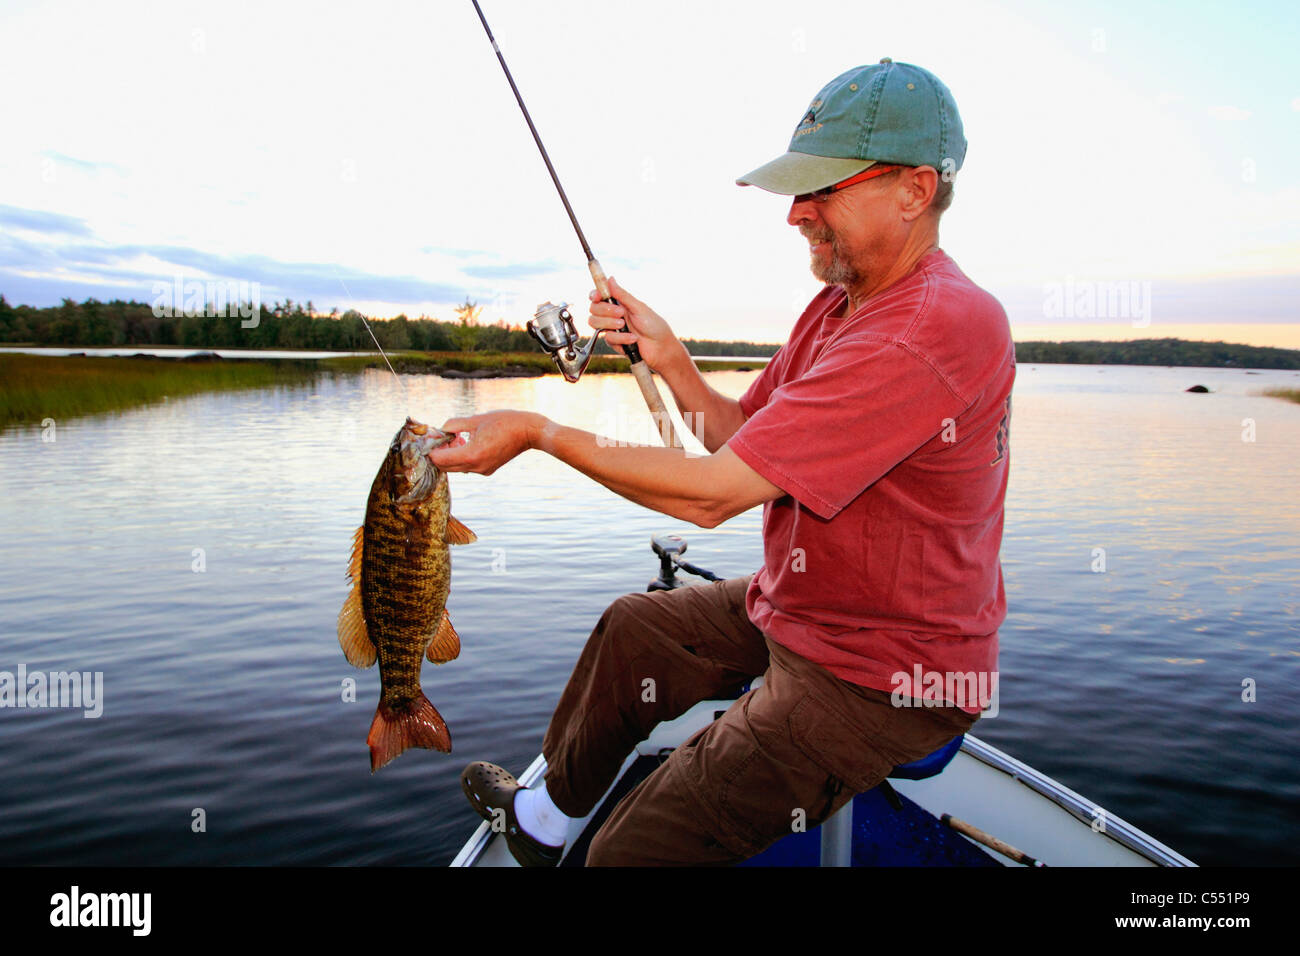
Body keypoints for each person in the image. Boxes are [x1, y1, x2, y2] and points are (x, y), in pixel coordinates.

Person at [431, 58, 1015, 866]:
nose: (796, 216)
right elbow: (736, 433)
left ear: (915, 190)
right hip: (805, 608)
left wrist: (540, 432)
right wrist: (669, 357)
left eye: (823, 191)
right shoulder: (840, 305)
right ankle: (541, 824)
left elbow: (712, 498)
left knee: (629, 854)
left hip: (883, 677)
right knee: (636, 631)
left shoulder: (933, 327)